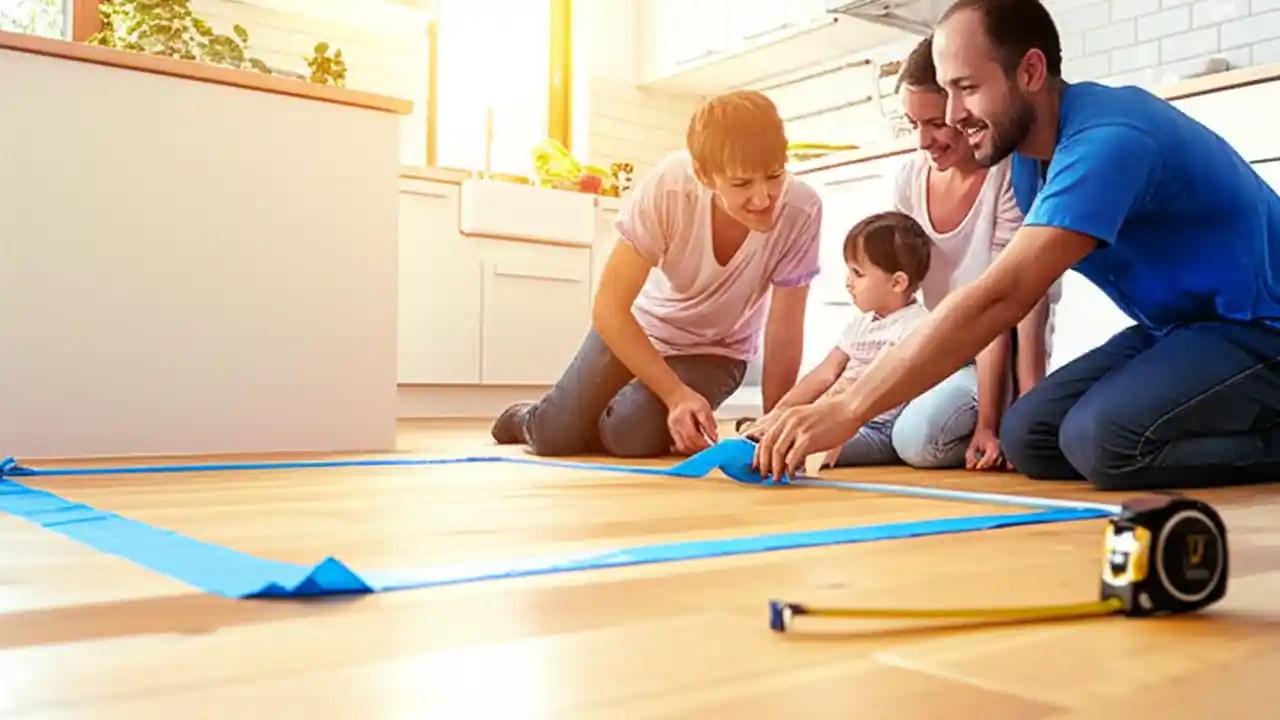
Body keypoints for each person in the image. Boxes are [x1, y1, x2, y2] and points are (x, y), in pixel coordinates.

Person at [754, 0, 1280, 491]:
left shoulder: (1108, 141)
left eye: (967, 87)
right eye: (946, 91)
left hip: (1258, 327)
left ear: (1029, 72)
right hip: (1179, 328)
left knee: (1103, 442)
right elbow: (1022, 296)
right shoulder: (1030, 166)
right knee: (1030, 434)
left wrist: (850, 408)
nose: (955, 114)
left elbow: (1001, 296)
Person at [491, 90, 822, 458]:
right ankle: (530, 418)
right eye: (742, 184)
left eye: (774, 176)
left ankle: (604, 419)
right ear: (704, 175)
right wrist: (676, 395)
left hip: (716, 352)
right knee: (553, 437)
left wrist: (773, 422)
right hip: (642, 332)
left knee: (630, 434)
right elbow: (608, 309)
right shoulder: (671, 185)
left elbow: (784, 330)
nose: (763, 199)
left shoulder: (802, 210)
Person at [887, 35, 1055, 472]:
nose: (923, 141)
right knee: (867, 415)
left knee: (917, 440)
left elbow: (1021, 303)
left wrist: (1019, 412)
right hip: (939, 343)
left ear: (966, 111)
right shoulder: (909, 179)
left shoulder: (1009, 176)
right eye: (913, 125)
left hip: (999, 349)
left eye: (936, 124)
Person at [741, 211, 931, 466]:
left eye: (858, 274)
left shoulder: (914, 324)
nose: (848, 283)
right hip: (839, 416)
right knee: (789, 429)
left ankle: (776, 443)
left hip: (877, 427)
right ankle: (770, 433)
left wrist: (812, 418)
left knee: (801, 440)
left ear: (897, 282)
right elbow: (825, 373)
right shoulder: (861, 322)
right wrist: (778, 412)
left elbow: (875, 382)